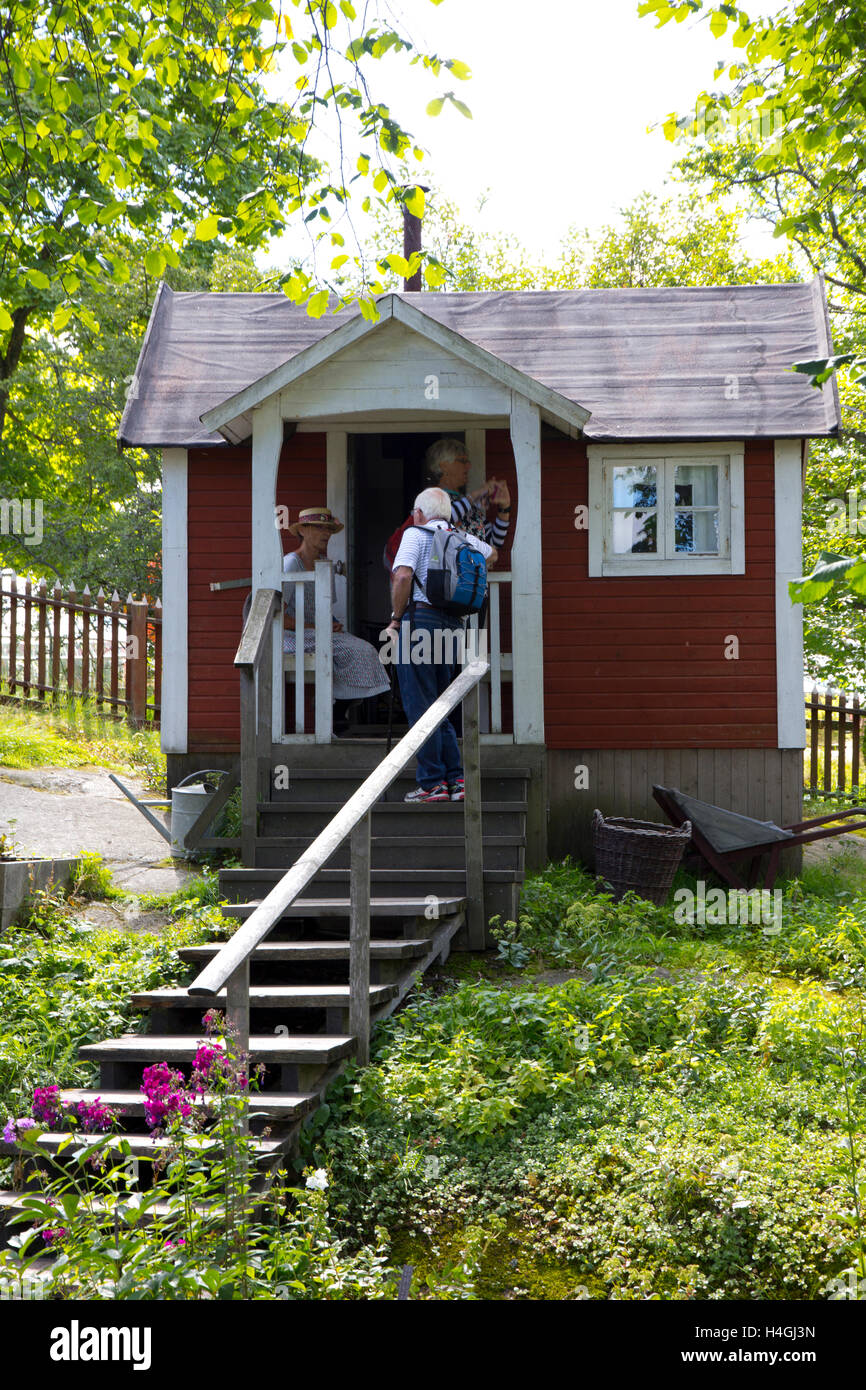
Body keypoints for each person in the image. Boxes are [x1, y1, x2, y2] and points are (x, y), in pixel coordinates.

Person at [387, 487, 496, 803]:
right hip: (454, 627)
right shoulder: (462, 539)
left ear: (419, 513)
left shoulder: (415, 534)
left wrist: (396, 617)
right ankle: (456, 781)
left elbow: (403, 576)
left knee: (420, 704)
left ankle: (433, 783)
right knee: (443, 706)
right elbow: (492, 554)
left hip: (420, 623)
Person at [282, 507, 390, 728]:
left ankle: (340, 709)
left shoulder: (325, 565)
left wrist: (331, 624)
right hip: (292, 636)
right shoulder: (292, 563)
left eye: (329, 529)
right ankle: (338, 714)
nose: (326, 534)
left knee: (363, 648)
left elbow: (322, 608)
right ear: (302, 531)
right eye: (319, 528)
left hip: (317, 632)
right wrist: (319, 626)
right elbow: (279, 617)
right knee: (357, 650)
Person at [424, 437, 512, 548]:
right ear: (444, 466)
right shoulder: (431, 498)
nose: (468, 466)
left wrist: (504, 507)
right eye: (462, 461)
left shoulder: (466, 503)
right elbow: (442, 519)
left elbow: (494, 543)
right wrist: (476, 495)